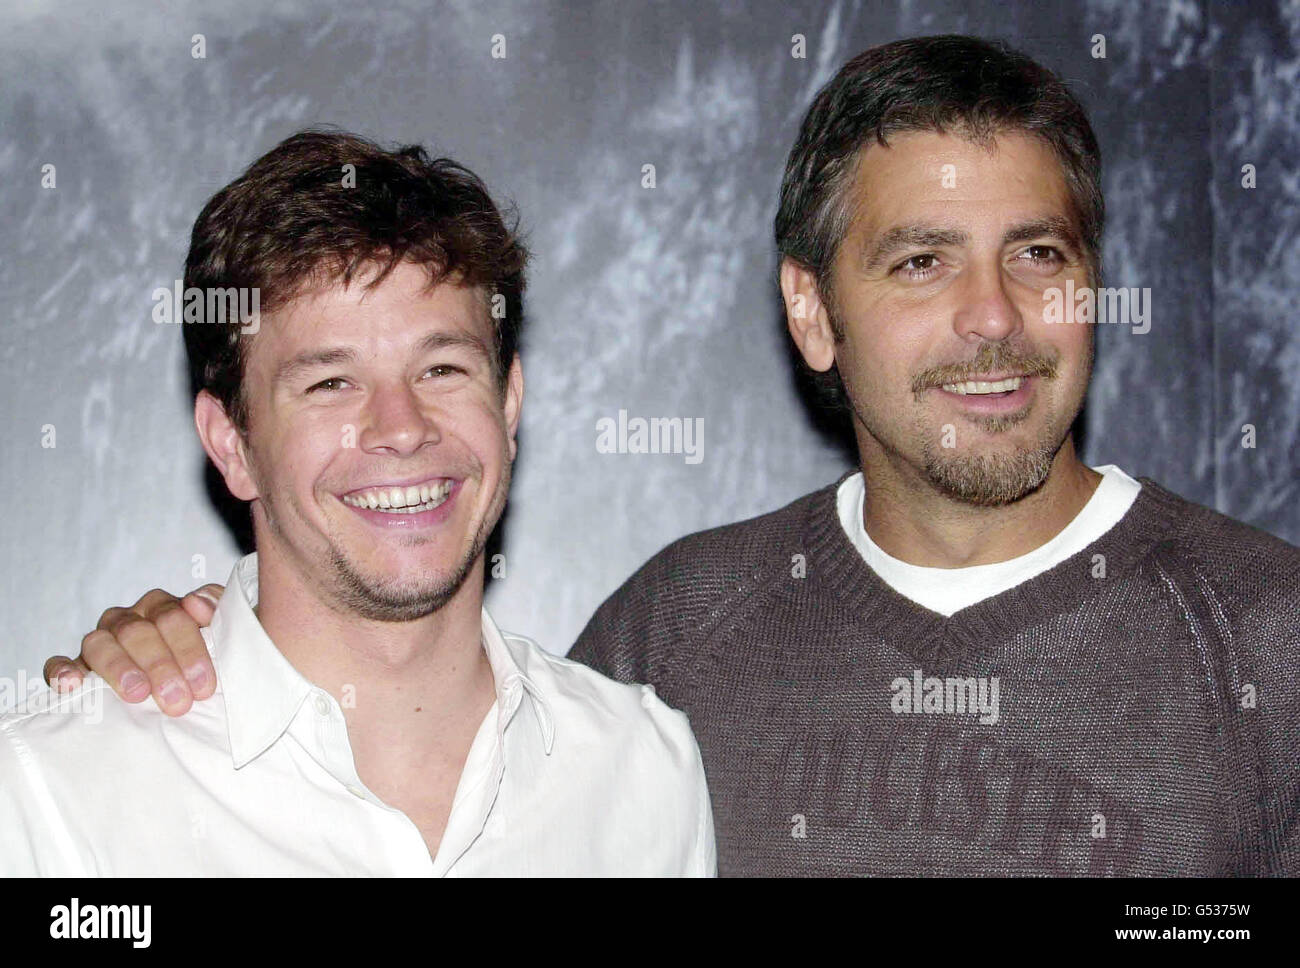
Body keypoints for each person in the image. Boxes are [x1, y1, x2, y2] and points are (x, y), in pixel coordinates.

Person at [44, 36, 1300, 877]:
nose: (992, 317)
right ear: (811, 311)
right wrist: (186, 644)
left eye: (1039, 255)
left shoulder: (1270, 639)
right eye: (922, 260)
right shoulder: (673, 649)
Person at [2, 129, 715, 876]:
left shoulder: (643, 770)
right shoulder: (54, 795)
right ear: (231, 444)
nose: (402, 428)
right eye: (329, 383)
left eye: (441, 367)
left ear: (509, 406)